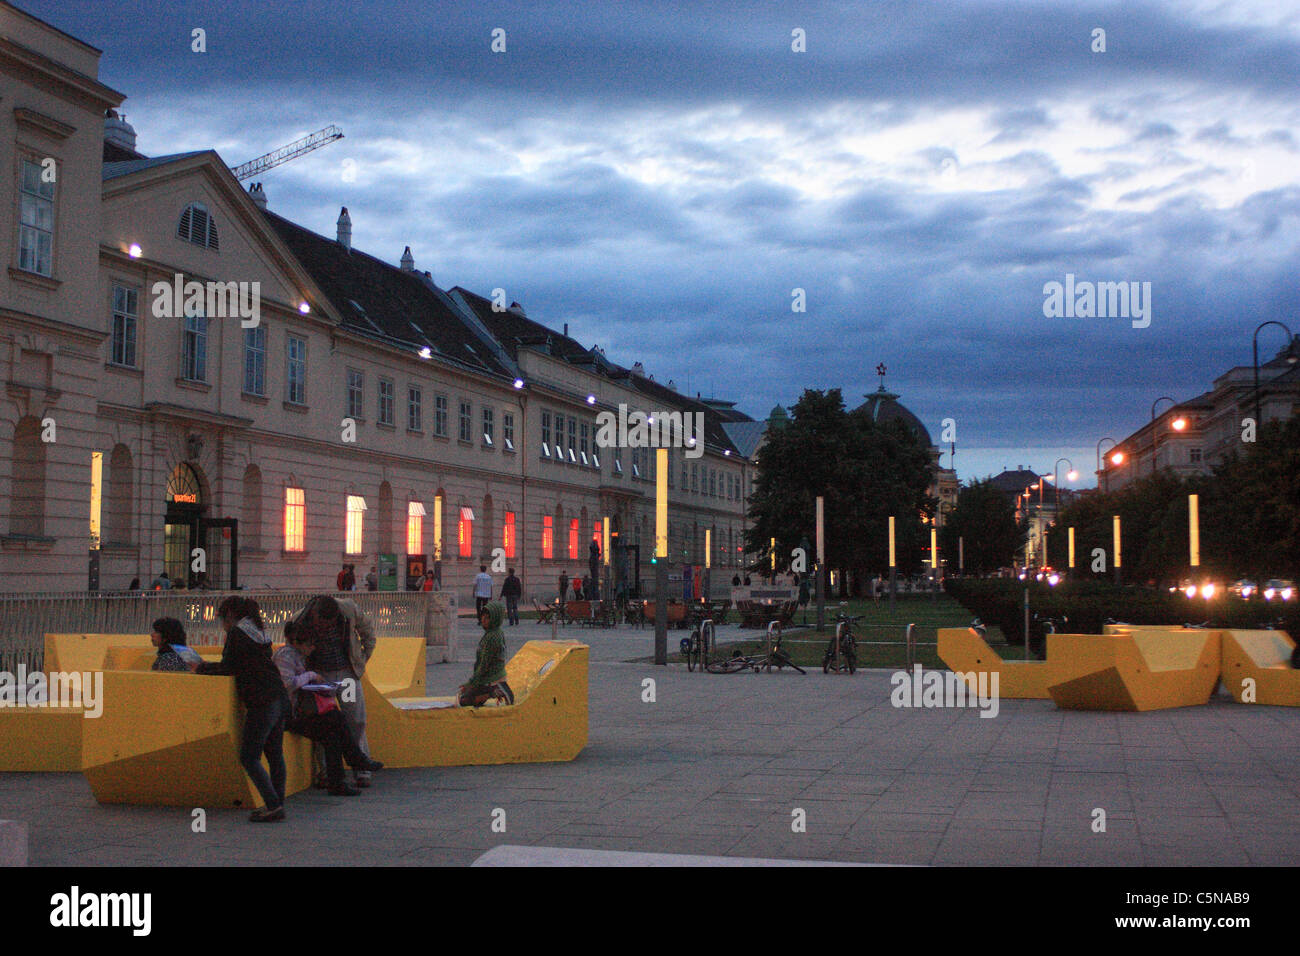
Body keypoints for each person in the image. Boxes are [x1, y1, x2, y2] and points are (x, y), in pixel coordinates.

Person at [191, 596, 288, 822]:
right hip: (278, 695)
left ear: (230, 616)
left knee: (249, 756)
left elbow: (229, 667)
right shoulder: (257, 631)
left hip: (261, 700)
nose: (222, 625)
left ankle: (273, 805)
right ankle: (277, 802)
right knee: (274, 753)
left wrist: (201, 667)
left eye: (222, 620)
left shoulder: (237, 633)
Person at [274, 621, 382, 796]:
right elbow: (287, 684)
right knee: (336, 719)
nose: (314, 648)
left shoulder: (299, 656)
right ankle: (356, 760)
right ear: (297, 642)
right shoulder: (285, 656)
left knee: (332, 732)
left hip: (298, 711)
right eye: (310, 644)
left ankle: (339, 779)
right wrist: (311, 676)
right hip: (288, 715)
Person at [288, 595, 377, 787]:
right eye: (321, 625)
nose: (325, 628)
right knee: (325, 723)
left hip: (347, 675)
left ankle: (361, 769)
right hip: (319, 677)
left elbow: (368, 632)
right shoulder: (299, 620)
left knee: (356, 719)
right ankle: (326, 771)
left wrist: (362, 659)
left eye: (329, 625)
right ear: (314, 615)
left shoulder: (348, 610)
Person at [459, 602, 514, 707]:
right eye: (483, 616)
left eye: (487, 618)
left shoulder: (492, 637)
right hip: (488, 678)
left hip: (491, 679)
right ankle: (492, 691)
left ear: (495, 619)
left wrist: (471, 683)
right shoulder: (493, 632)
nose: (483, 619)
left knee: (464, 701)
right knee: (466, 697)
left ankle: (494, 691)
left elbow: (484, 665)